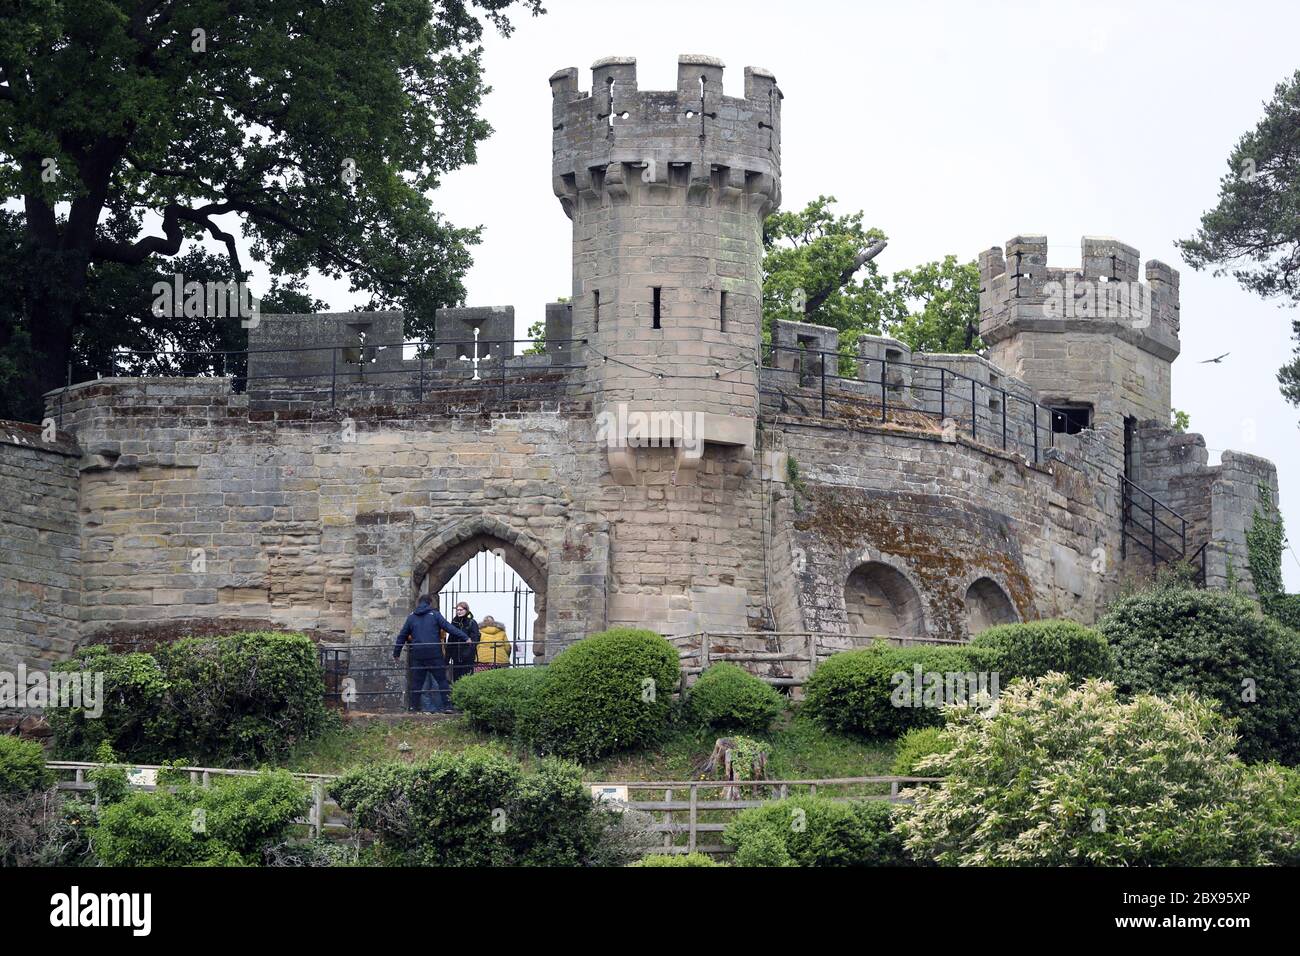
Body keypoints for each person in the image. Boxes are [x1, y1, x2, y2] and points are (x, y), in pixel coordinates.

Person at [393, 595, 468, 713]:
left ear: (419, 603)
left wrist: (396, 653)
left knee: (417, 683)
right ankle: (447, 707)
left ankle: (413, 708)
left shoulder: (411, 617)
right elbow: (449, 627)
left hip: (418, 653)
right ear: (430, 603)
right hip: (434, 653)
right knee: (442, 681)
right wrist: (465, 637)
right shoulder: (435, 615)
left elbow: (402, 636)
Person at [448, 601, 480, 685]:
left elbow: (475, 639)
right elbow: (450, 640)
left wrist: (468, 652)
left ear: (466, 610)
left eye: (461, 610)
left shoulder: (472, 622)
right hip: (456, 656)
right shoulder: (454, 623)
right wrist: (448, 657)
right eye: (457, 610)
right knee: (456, 680)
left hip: (467, 657)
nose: (459, 611)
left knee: (468, 679)